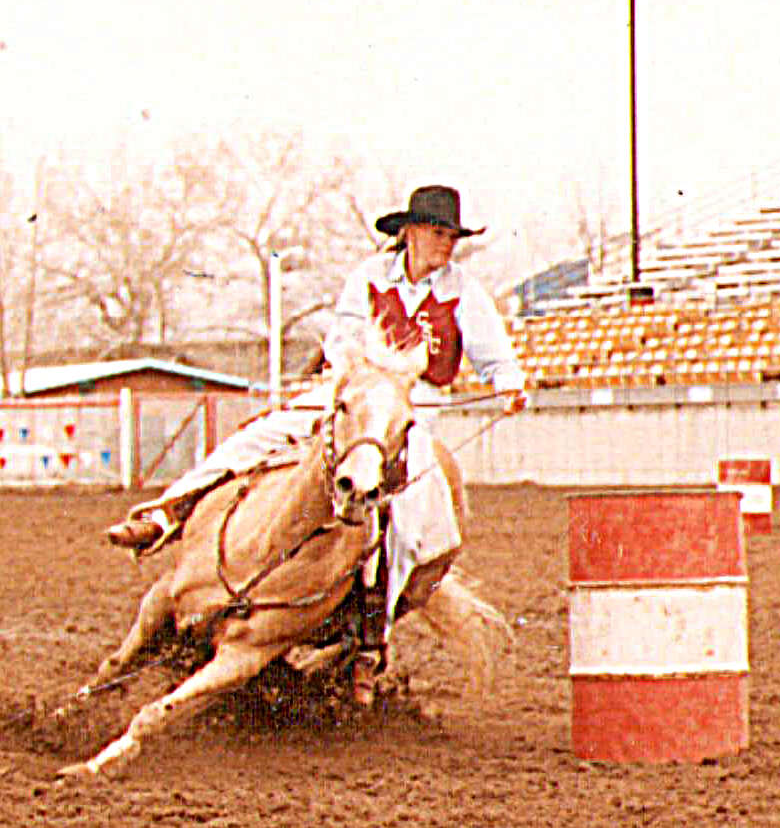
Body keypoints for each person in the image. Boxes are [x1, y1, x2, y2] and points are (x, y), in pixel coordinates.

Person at [103, 185, 527, 658]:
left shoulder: (464, 291)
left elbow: (496, 355)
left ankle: (374, 632)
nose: (446, 245)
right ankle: (166, 513)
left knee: (411, 520)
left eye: (451, 236)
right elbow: (343, 339)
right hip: (353, 388)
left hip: (412, 403)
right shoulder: (369, 276)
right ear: (409, 233)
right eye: (437, 233)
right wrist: (355, 379)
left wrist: (509, 385)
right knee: (257, 437)